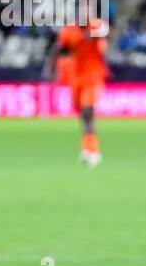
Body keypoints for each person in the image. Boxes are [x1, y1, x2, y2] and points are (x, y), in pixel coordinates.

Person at [43, 17, 108, 165]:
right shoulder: (69, 30)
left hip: (93, 77)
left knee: (87, 111)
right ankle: (86, 148)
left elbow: (106, 34)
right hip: (76, 78)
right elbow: (57, 50)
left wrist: (92, 36)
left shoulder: (96, 26)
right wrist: (49, 70)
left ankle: (94, 151)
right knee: (82, 115)